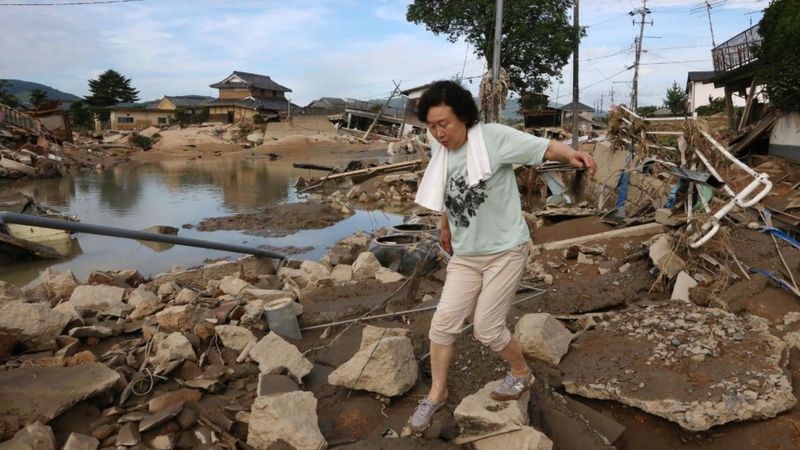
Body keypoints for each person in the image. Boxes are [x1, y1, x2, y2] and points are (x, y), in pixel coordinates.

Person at [407, 80, 597, 434]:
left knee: (487, 328)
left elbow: (543, 147)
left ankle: (521, 373)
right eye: (431, 126)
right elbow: (446, 192)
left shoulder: (493, 138)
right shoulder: (440, 149)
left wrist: (572, 154)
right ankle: (437, 393)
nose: (438, 133)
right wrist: (444, 226)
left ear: (464, 117)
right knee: (443, 324)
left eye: (444, 124)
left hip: (506, 250)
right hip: (466, 254)